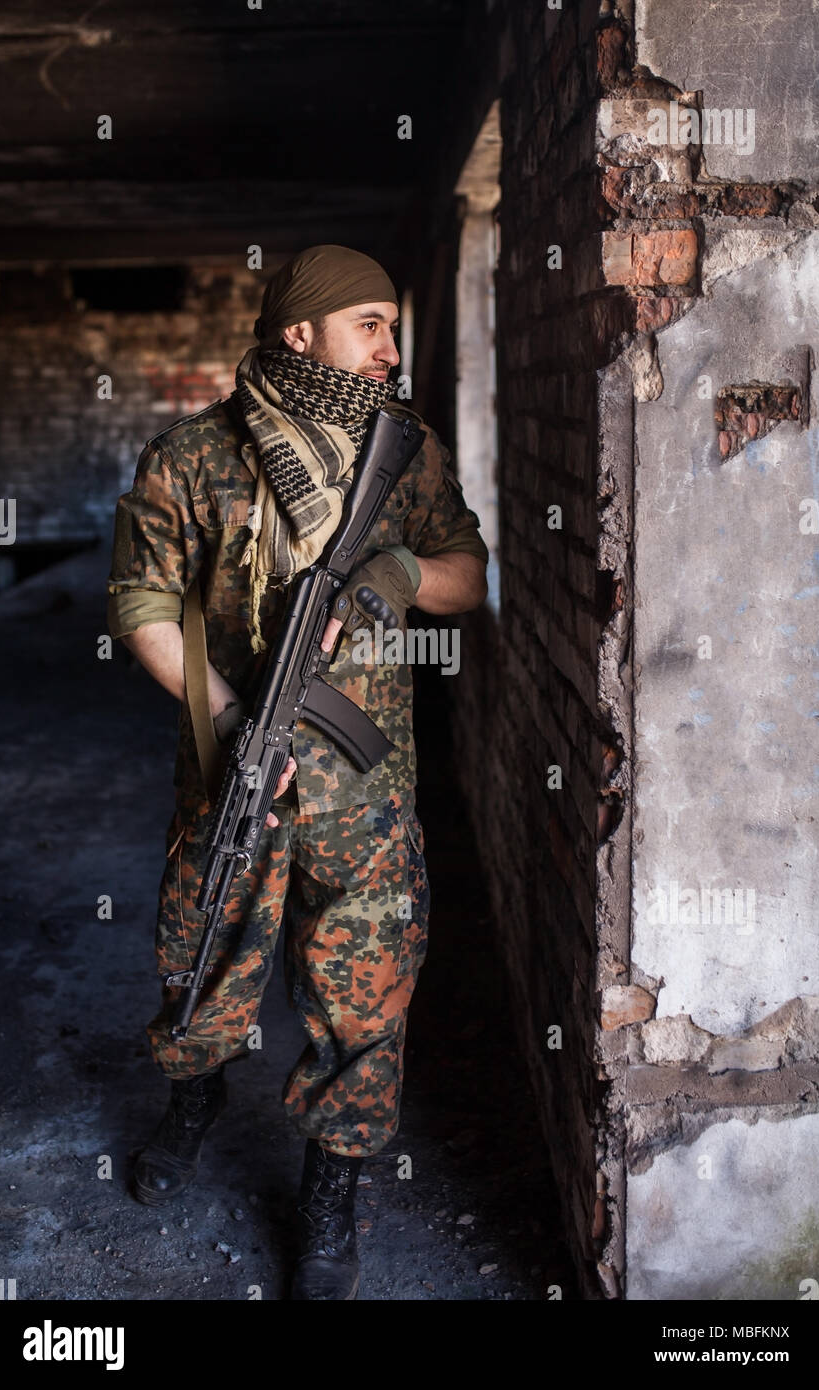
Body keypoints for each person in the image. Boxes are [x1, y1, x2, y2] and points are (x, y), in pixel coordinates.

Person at [106, 243, 488, 1300]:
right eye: (368, 322)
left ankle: (333, 1192)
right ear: (299, 332)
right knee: (199, 958)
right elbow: (140, 605)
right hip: (235, 771)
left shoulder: (405, 457)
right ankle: (194, 1103)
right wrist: (230, 723)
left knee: (363, 995)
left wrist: (401, 572)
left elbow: (468, 575)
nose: (389, 345)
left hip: (365, 796)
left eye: (390, 323)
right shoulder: (192, 457)